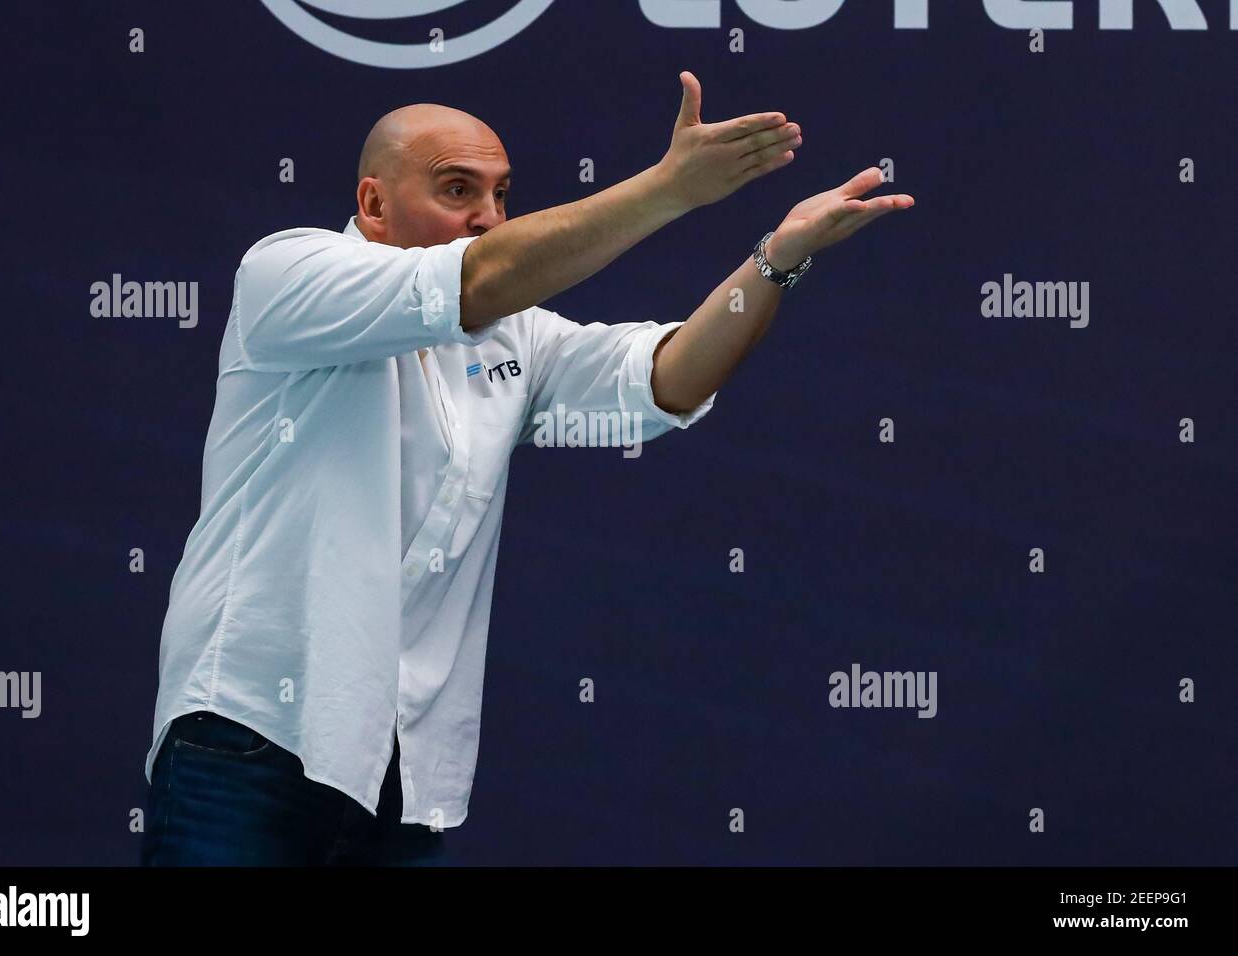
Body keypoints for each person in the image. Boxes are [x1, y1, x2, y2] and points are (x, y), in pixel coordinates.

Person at [140, 70, 914, 866]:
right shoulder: (286, 274)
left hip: (403, 777)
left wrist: (776, 259)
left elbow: (671, 376)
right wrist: (669, 190)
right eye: (456, 189)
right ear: (373, 205)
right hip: (248, 742)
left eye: (502, 194)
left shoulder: (516, 338)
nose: (487, 215)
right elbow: (481, 275)